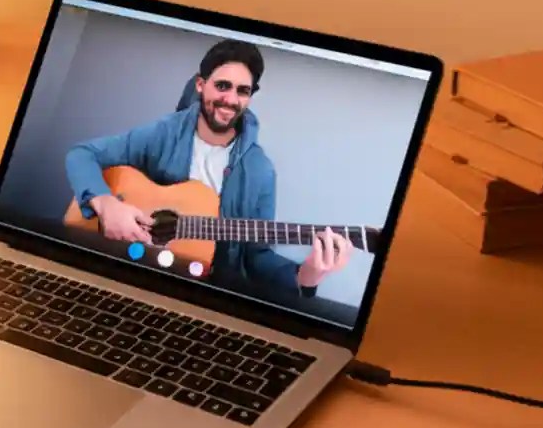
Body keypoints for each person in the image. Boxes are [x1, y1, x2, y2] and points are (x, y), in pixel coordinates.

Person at [65, 39, 353, 298]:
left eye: (242, 91)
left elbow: (257, 257)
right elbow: (82, 154)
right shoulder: (165, 132)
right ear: (201, 85)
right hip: (132, 271)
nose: (231, 99)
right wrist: (106, 204)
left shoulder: (260, 171)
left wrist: (305, 276)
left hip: (203, 293)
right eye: (222, 86)